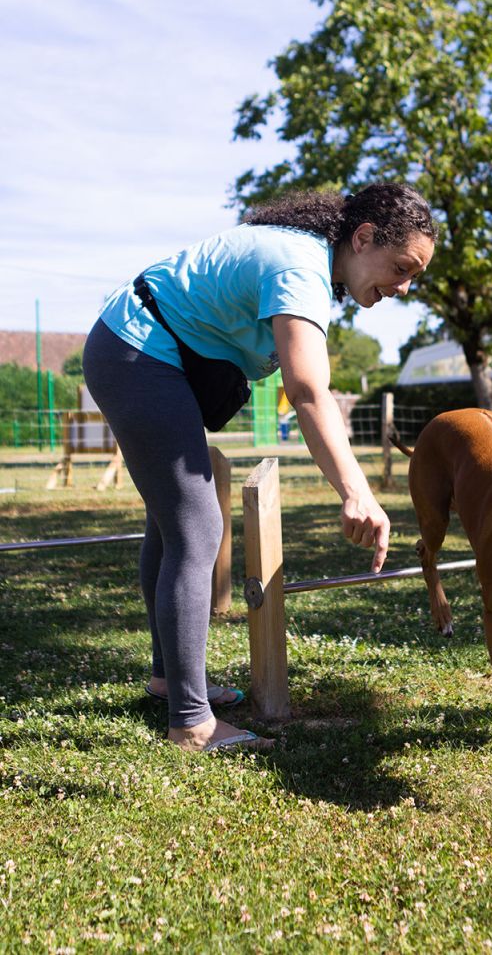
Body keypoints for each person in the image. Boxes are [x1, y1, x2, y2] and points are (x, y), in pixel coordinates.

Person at [83, 182, 438, 753]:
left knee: (172, 524)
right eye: (401, 268)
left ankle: (168, 681)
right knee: (197, 529)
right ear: (365, 237)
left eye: (413, 277)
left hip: (140, 347)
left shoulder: (308, 261)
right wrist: (358, 492)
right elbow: (307, 390)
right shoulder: (300, 266)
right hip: (139, 352)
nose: (404, 287)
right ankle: (191, 722)